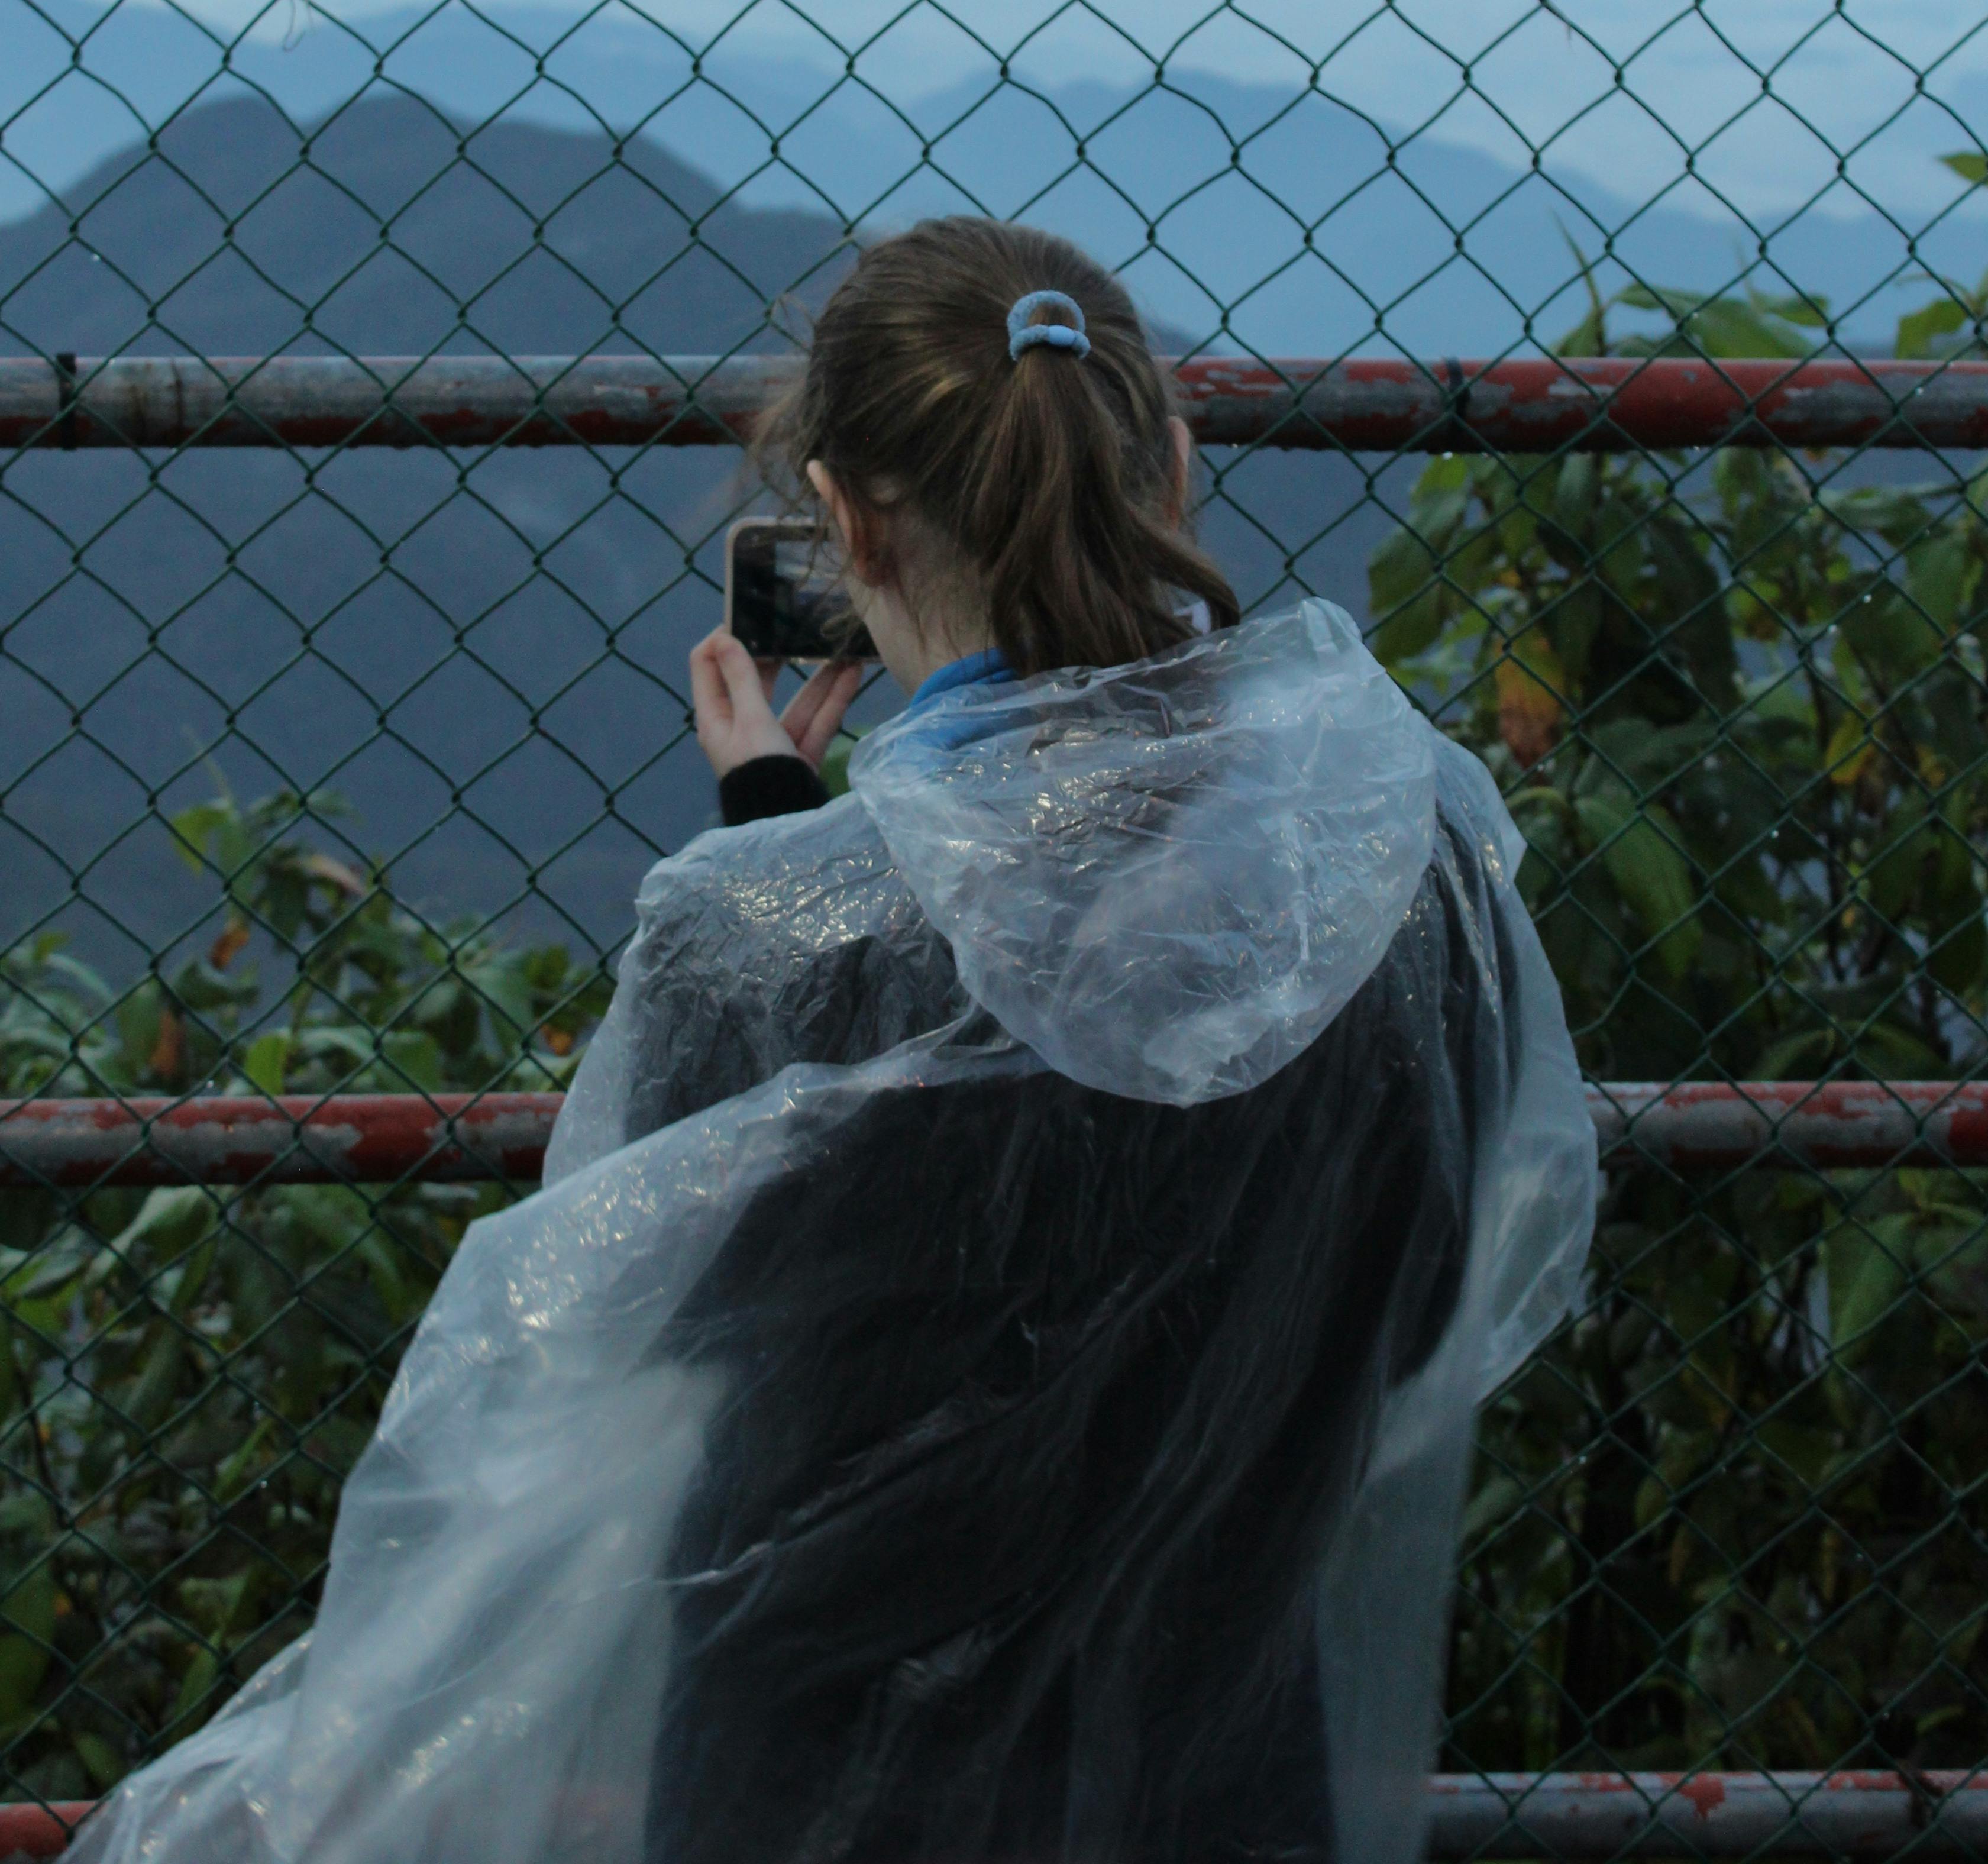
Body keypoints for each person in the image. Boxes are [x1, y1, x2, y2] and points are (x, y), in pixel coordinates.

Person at [69, 217, 1595, 1864]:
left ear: (843, 518)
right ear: (1168, 466)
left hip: (813, 1785)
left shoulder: (758, 940)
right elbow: (1424, 1286)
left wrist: (781, 854)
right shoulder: (1407, 862)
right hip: (1221, 1762)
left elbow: (674, 1336)